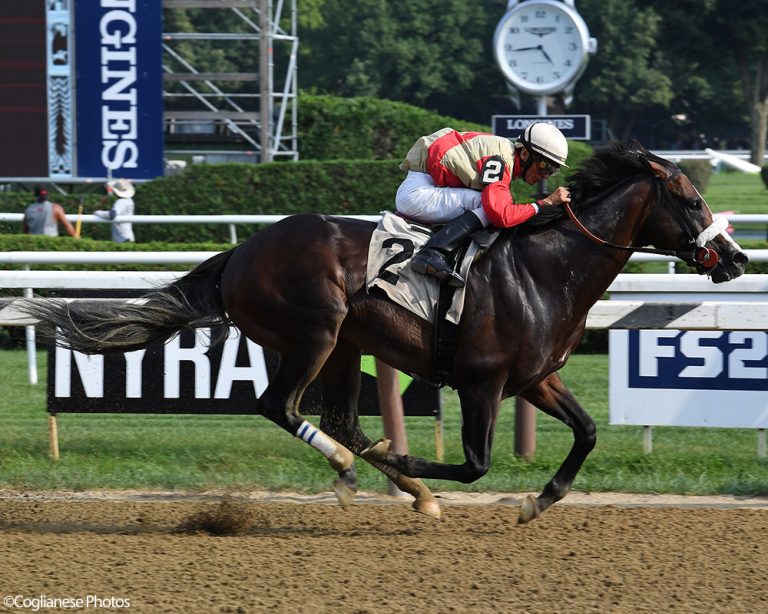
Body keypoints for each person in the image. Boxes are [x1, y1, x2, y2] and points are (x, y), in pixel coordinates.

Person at [396, 122, 572, 287]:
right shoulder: (500, 160)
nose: (546, 175)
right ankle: (433, 252)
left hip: (424, 186)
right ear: (525, 153)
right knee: (486, 205)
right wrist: (544, 204)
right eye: (544, 165)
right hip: (418, 193)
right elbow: (500, 215)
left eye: (553, 170)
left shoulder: (504, 155)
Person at [94, 178, 136, 243]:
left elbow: (112, 215)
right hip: (128, 237)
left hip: (122, 239)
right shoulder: (130, 200)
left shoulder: (120, 201)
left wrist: (97, 212)